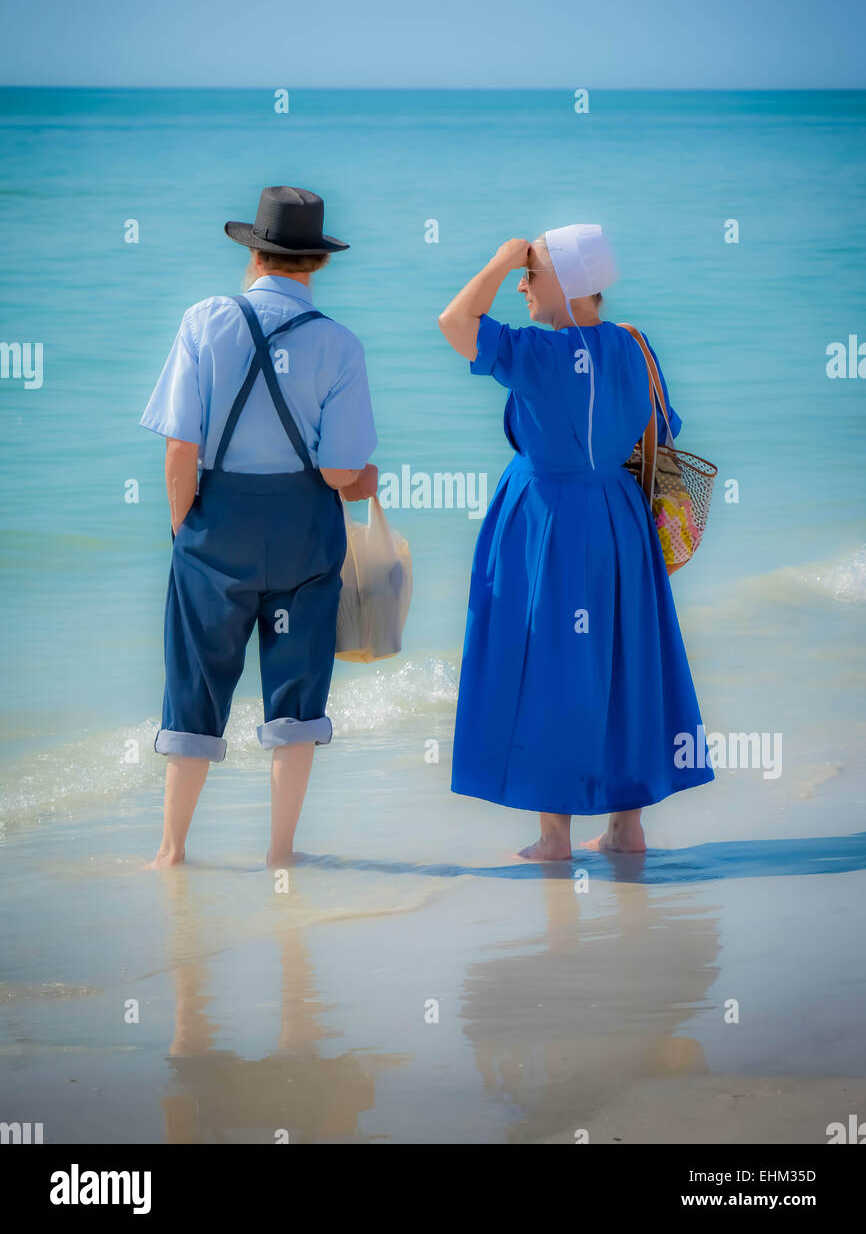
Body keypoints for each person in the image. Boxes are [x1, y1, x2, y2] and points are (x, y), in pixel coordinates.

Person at [438, 225, 713, 859]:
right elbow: (657, 431)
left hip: (548, 523)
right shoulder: (635, 347)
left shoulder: (537, 352)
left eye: (530, 274)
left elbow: (455, 321)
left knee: (546, 666)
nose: (522, 286)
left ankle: (554, 836)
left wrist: (498, 256)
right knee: (624, 661)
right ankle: (626, 827)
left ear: (564, 281)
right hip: (619, 520)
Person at [140, 186, 378, 869]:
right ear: (317, 265)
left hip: (216, 534)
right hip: (304, 534)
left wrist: (186, 530)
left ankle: (171, 850)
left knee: (194, 686)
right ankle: (280, 853)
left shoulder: (207, 321)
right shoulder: (340, 343)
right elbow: (340, 474)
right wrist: (367, 482)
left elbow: (180, 448)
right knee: (296, 693)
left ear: (254, 254)